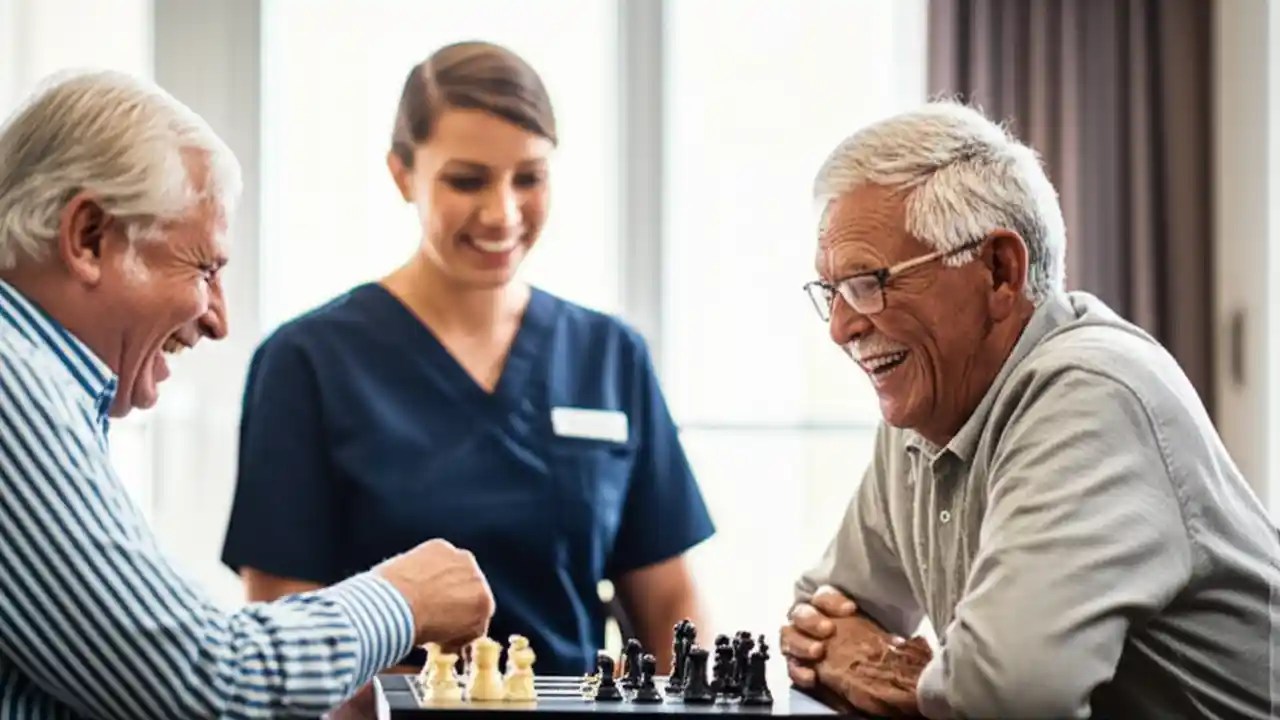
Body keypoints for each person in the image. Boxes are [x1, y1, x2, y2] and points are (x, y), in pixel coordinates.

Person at [0, 70, 495, 720]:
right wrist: (404, 598)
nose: (218, 320)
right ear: (88, 237)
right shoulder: (14, 385)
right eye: (203, 268)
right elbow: (205, 680)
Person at [220, 40, 714, 677]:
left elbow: (669, 598)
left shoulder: (609, 356)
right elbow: (285, 610)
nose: (502, 212)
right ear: (402, 174)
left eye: (529, 178)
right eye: (466, 179)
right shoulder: (308, 362)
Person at [778, 102, 1280, 719]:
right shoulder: (926, 404)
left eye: (867, 283)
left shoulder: (1093, 392)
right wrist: (932, 683)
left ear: (998, 270)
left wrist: (926, 688)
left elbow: (1009, 697)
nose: (840, 327)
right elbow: (823, 617)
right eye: (830, 292)